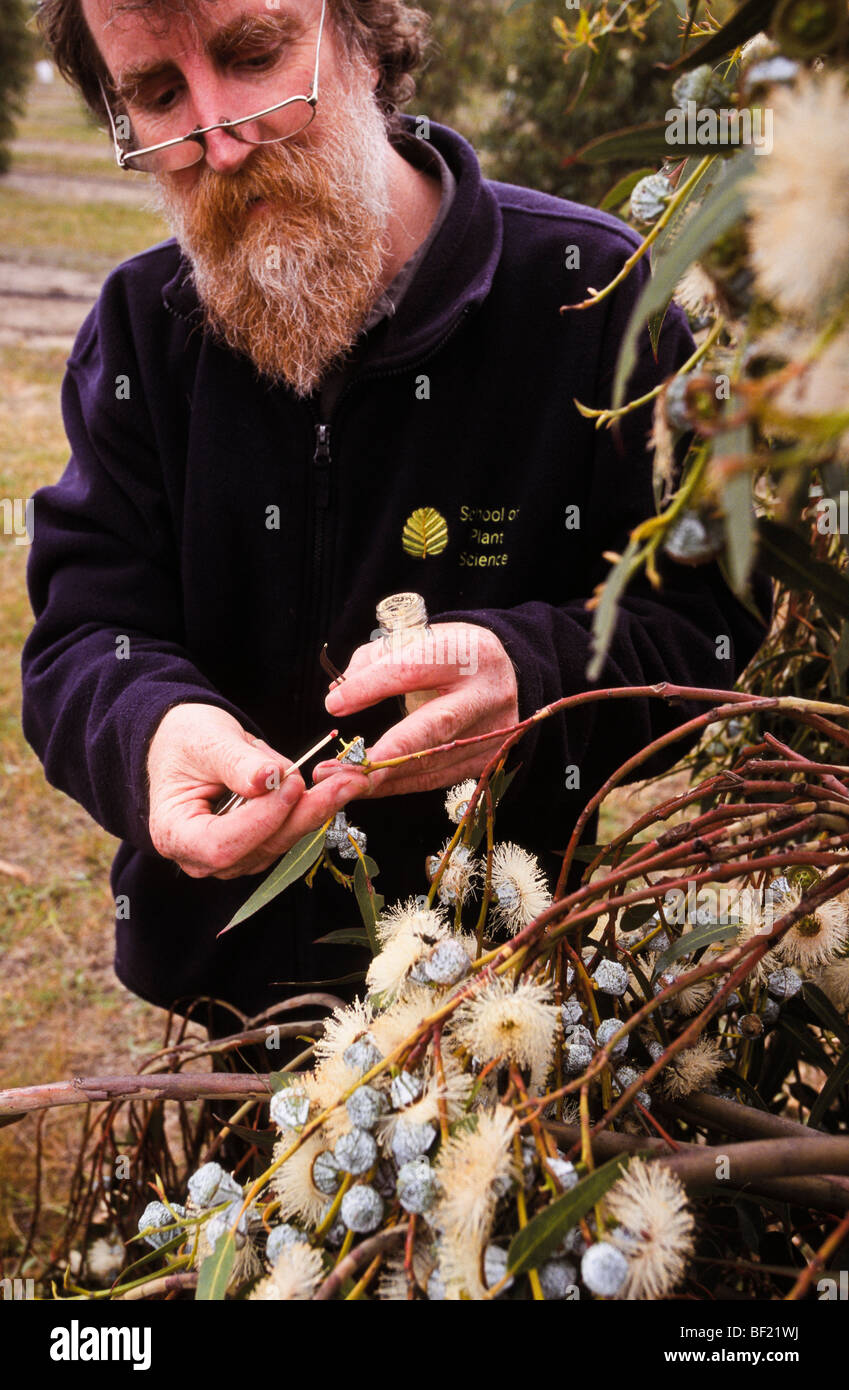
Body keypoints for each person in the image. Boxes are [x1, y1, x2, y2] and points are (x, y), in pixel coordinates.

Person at [22, 0, 771, 1042]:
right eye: (157, 92)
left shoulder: (595, 301)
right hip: (228, 1016)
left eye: (252, 53)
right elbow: (80, 639)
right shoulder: (142, 331)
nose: (219, 139)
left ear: (364, 35)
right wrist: (150, 733)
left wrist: (536, 677)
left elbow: (710, 617)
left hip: (506, 1012)